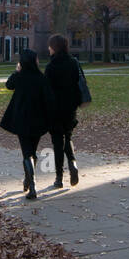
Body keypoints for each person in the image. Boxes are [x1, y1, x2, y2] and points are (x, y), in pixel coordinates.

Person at [0, 48, 51, 200]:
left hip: (22, 118)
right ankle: (29, 180)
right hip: (38, 119)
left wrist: (17, 71)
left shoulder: (19, 77)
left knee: (26, 152)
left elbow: (8, 85)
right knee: (32, 152)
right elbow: (47, 97)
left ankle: (31, 183)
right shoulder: (41, 77)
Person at [44, 33, 83, 188]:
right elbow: (79, 83)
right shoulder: (73, 62)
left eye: (50, 46)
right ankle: (72, 163)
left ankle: (59, 178)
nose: (48, 48)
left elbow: (46, 90)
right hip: (70, 107)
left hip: (55, 110)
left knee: (57, 143)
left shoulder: (51, 66)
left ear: (54, 47)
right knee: (68, 137)